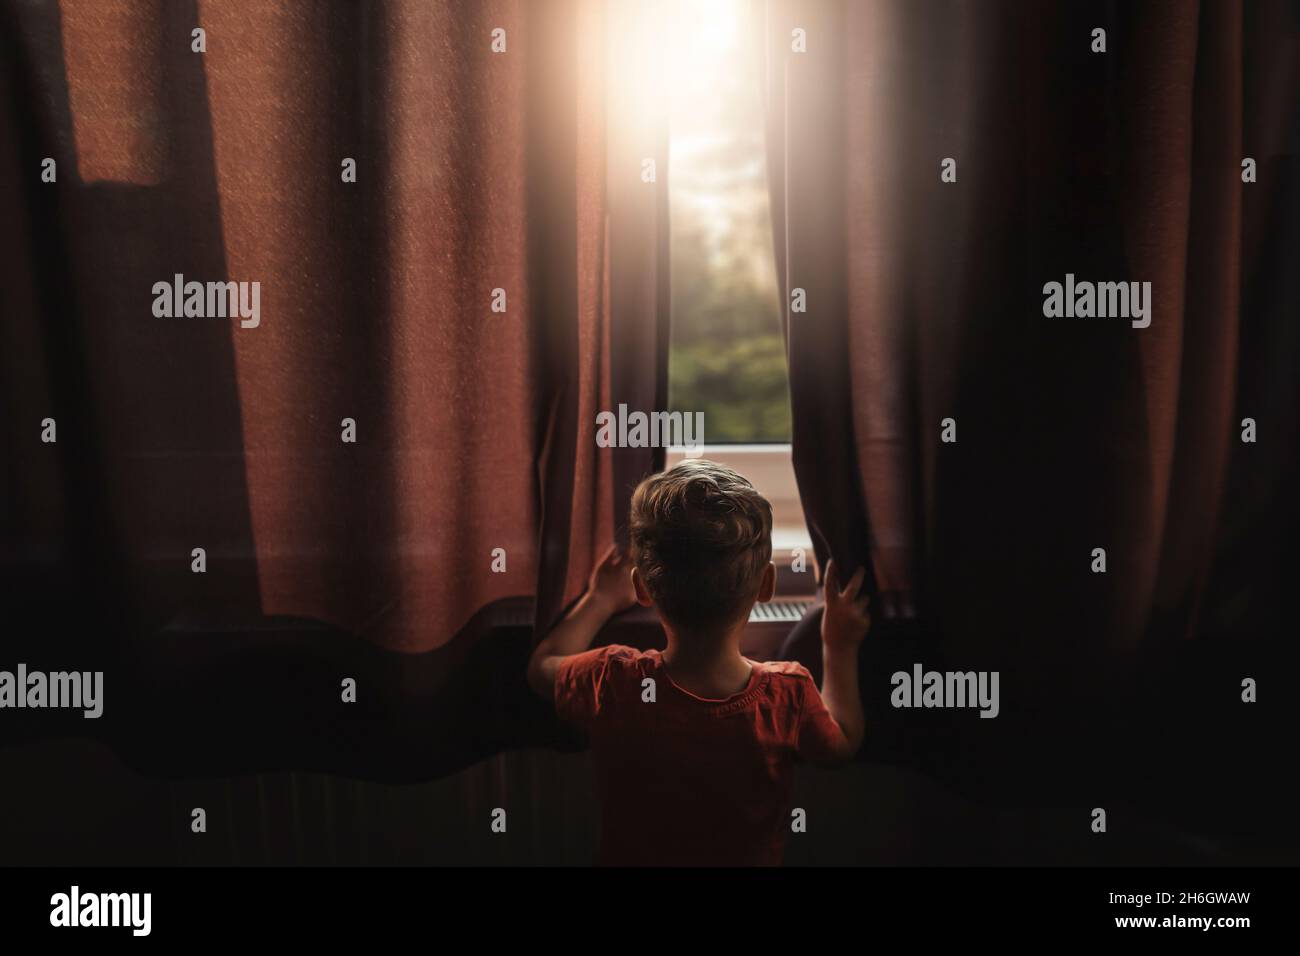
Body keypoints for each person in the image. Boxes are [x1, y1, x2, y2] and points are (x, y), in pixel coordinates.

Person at [527, 458, 869, 865]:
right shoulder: (786, 696)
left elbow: (541, 667)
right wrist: (839, 646)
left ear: (642, 587)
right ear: (767, 585)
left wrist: (599, 599)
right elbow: (842, 742)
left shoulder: (612, 681)